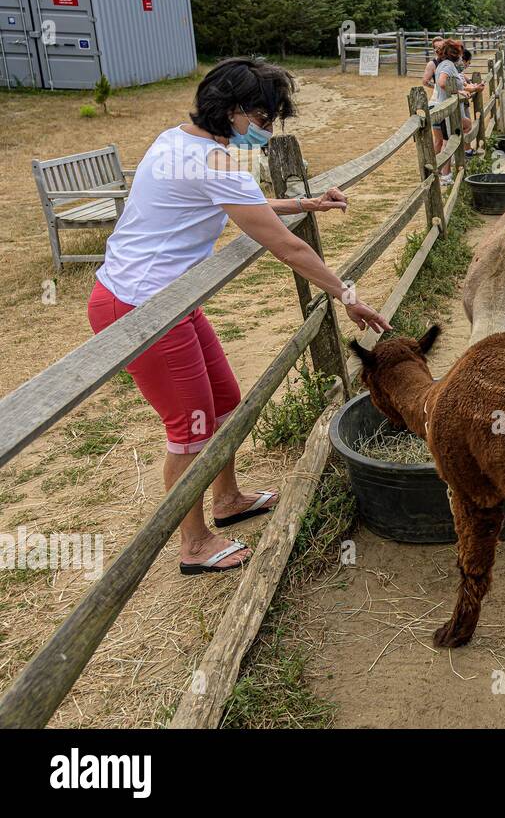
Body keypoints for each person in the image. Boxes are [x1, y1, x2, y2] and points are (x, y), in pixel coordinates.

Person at [87, 57, 392, 575]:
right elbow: (289, 251)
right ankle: (193, 544)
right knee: (190, 428)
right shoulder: (218, 162)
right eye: (264, 118)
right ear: (232, 111)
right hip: (142, 308)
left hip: (168, 301)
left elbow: (241, 202)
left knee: (224, 406)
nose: (268, 131)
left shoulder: (183, 142)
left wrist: (307, 204)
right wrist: (346, 294)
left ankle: (226, 500)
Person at [430, 40, 465, 184]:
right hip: (447, 108)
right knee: (447, 140)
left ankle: (447, 170)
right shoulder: (447, 66)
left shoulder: (445, 64)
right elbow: (443, 83)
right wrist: (458, 91)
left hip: (449, 109)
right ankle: (445, 174)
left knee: (451, 137)